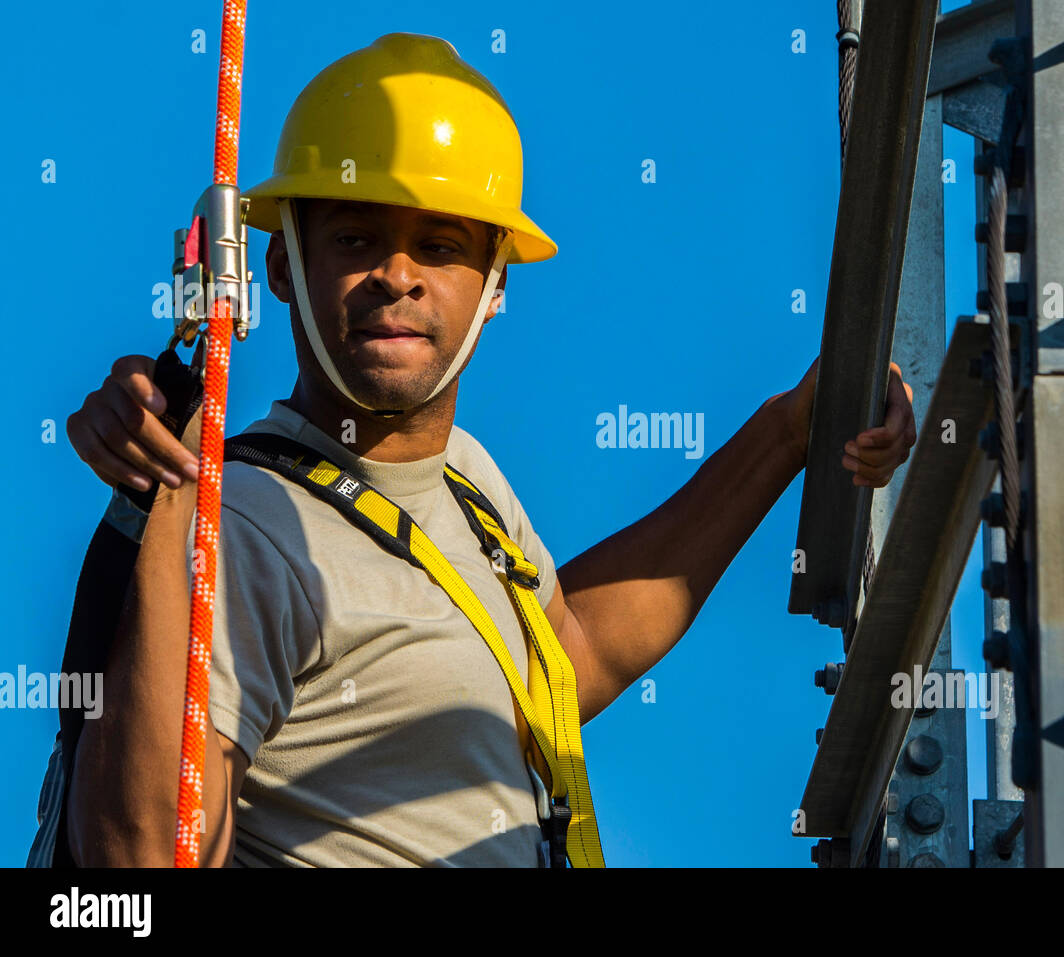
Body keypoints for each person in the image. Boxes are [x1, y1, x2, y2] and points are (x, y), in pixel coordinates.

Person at [59, 33, 917, 867]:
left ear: (495, 285)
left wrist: (786, 432)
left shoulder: (469, 487)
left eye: (437, 246)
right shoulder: (247, 526)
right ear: (282, 268)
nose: (397, 275)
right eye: (356, 239)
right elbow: (141, 860)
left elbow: (571, 660)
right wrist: (170, 491)